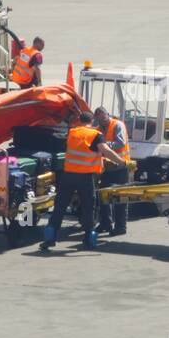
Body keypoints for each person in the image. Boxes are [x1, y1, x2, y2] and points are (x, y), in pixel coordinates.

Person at [41, 111, 125, 251]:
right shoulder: (95, 135)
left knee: (59, 208)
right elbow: (106, 151)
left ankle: (49, 238)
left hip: (68, 176)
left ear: (79, 120)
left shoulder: (72, 132)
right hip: (85, 177)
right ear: (92, 121)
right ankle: (89, 239)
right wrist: (121, 162)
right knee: (88, 208)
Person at [94, 106, 130, 236]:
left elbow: (120, 143)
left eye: (103, 118)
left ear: (107, 115)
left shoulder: (117, 125)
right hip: (106, 168)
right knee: (104, 196)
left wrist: (103, 145)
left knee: (120, 197)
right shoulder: (97, 129)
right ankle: (105, 223)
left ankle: (121, 227)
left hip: (120, 167)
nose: (101, 121)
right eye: (98, 119)